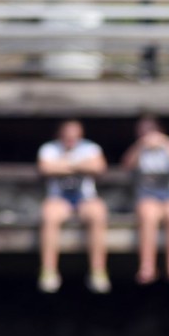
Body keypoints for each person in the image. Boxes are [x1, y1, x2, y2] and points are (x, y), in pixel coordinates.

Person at [37, 119, 110, 294]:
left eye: (74, 133)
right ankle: (49, 271)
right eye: (67, 133)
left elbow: (99, 167)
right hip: (59, 198)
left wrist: (64, 165)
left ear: (80, 134)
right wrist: (80, 166)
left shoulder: (90, 148)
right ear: (60, 134)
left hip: (84, 198)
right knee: (49, 215)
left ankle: (98, 271)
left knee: (98, 213)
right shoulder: (49, 148)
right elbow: (45, 168)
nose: (70, 137)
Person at [122, 115, 169, 286]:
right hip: (147, 196)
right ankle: (147, 266)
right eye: (142, 130)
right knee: (148, 214)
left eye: (150, 130)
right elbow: (126, 166)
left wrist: (167, 144)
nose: (147, 134)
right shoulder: (138, 149)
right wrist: (140, 146)